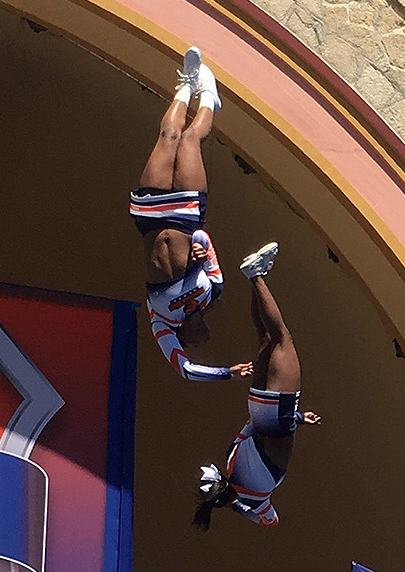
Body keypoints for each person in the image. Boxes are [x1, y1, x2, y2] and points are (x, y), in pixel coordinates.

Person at [135, 46, 250, 382]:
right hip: (186, 218)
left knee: (168, 136)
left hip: (150, 219)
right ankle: (208, 100)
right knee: (189, 140)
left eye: (199, 343)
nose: (207, 339)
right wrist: (200, 249)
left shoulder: (163, 324)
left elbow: (186, 370)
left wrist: (226, 373)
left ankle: (185, 85)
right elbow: (204, 238)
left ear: (186, 338)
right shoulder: (213, 288)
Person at [193, 244, 321, 528]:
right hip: (259, 407)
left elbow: (270, 521)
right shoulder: (230, 463)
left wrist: (300, 417)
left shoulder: (259, 498)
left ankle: (256, 275)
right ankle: (255, 275)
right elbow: (252, 427)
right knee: (263, 336)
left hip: (277, 414)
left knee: (282, 338)